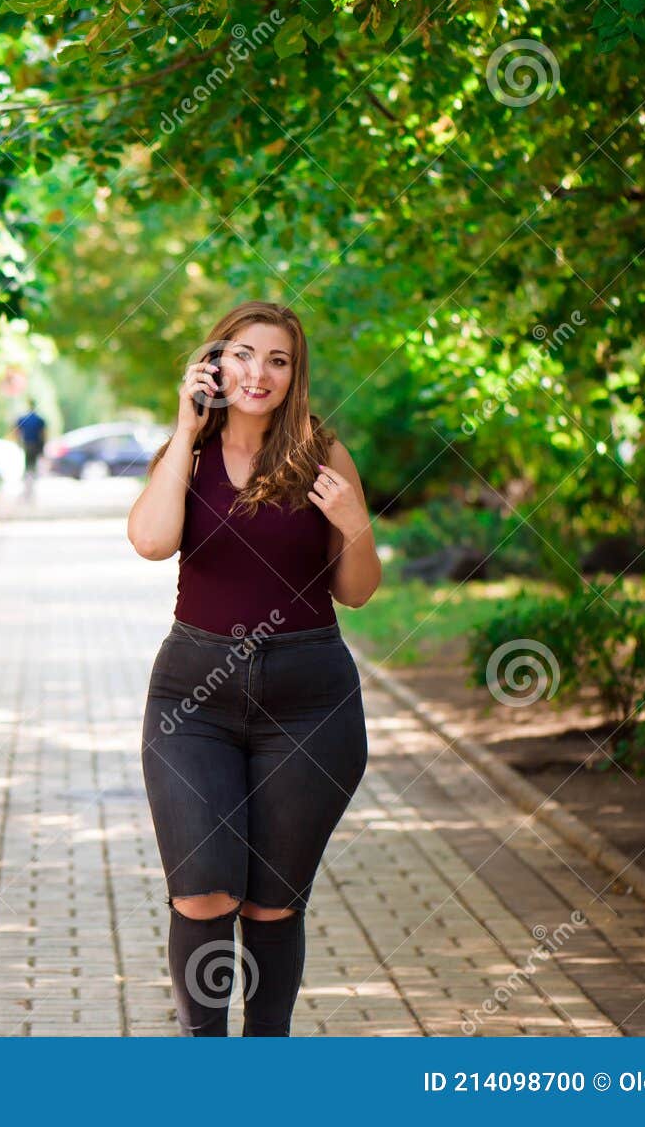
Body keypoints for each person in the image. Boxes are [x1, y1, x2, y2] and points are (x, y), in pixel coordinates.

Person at [125, 299, 381, 1036]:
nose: (258, 373)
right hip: (192, 703)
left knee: (272, 906)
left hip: (310, 705)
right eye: (242, 355)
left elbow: (357, 591)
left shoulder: (322, 456)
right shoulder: (189, 454)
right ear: (214, 362)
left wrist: (354, 524)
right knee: (202, 894)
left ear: (296, 375)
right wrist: (186, 427)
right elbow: (151, 542)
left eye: (278, 360)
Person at [13, 399, 48, 500]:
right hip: (36, 445)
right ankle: (31, 488)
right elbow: (43, 434)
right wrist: (43, 447)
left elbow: (16, 430)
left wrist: (18, 443)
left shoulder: (23, 418)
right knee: (33, 466)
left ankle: (27, 488)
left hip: (26, 445)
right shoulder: (40, 419)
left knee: (27, 466)